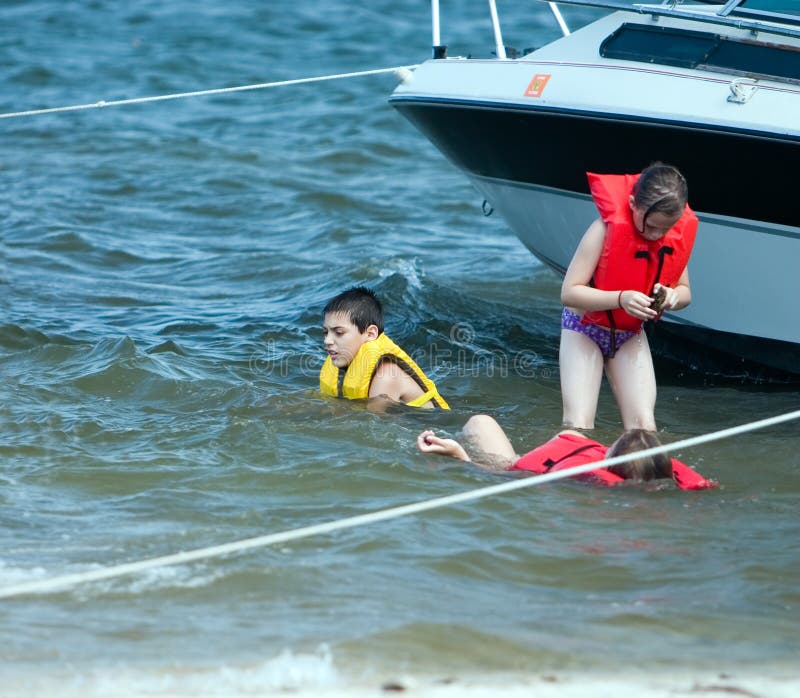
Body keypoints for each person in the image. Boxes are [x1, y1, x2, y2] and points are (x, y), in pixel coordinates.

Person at [560, 162, 697, 431]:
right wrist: (620, 298)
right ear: (633, 203)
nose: (657, 235)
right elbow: (569, 293)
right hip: (584, 329)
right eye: (652, 226)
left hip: (629, 335)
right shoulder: (602, 231)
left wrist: (672, 297)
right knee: (578, 424)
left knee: (644, 426)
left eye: (665, 229)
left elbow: (685, 293)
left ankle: (641, 472)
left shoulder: (669, 240)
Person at [417, 415, 716, 489]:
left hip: (511, 467)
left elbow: (504, 478)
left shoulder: (582, 476)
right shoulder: (669, 481)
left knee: (480, 423)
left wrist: (461, 458)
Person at [319, 286, 450, 409]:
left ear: (370, 334)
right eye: (326, 332)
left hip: (433, 427)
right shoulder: (349, 365)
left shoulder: (386, 376)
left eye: (339, 332)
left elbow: (372, 426)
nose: (327, 340)